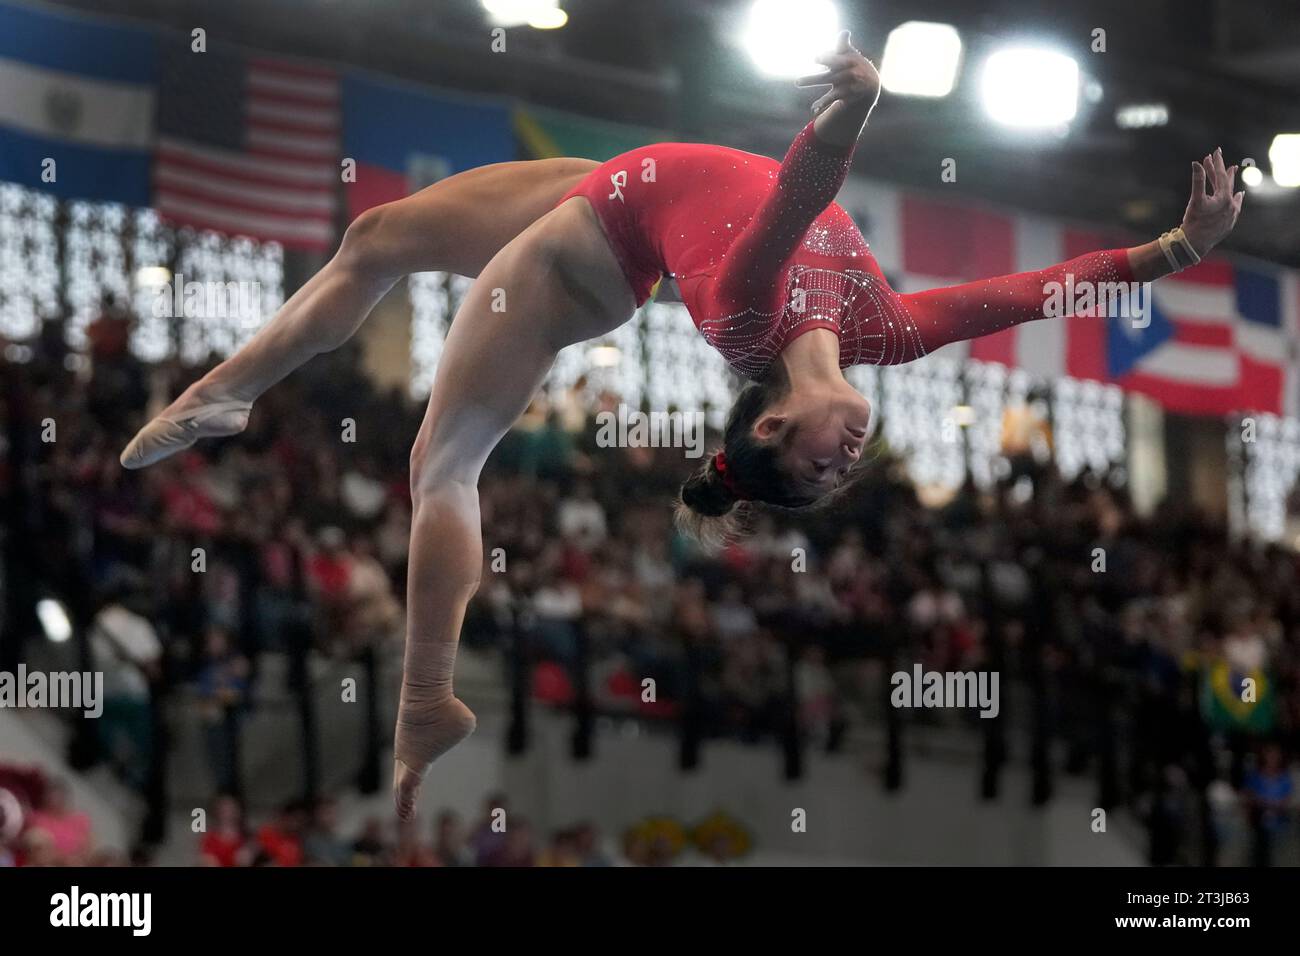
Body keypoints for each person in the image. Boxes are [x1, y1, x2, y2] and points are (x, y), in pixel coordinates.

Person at [119, 32, 1245, 816]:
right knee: (373, 242)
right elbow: (1028, 292)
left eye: (814, 470)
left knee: (440, 461)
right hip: (625, 186)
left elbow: (790, 203)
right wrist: (1175, 251)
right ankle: (229, 387)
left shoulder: (757, 315)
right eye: (839, 467)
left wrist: (850, 115)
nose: (845, 459)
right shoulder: (886, 331)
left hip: (583, 258)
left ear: (766, 430)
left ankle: (424, 700)